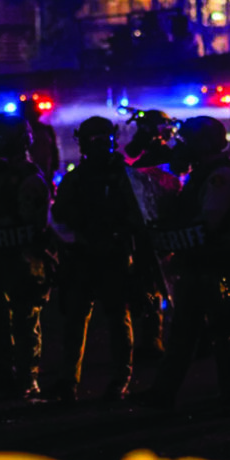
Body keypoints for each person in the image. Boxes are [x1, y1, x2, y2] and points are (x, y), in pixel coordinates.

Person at [140, 116, 230, 415]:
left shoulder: (220, 175)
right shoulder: (204, 173)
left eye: (187, 141)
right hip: (198, 264)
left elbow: (209, 223)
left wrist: (171, 236)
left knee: (222, 332)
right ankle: (163, 392)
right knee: (183, 333)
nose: (180, 147)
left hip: (216, 265)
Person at [45, 115, 140, 402]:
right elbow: (59, 216)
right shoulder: (78, 178)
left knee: (115, 320)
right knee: (78, 319)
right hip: (84, 257)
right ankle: (69, 380)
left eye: (103, 139)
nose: (99, 145)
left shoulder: (124, 176)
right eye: (94, 139)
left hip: (113, 255)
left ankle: (119, 379)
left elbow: (139, 217)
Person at [0, 115, 53, 395]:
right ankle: (3, 372)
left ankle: (28, 377)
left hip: (22, 260)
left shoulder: (29, 178)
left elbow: (34, 222)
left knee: (25, 318)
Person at [122, 109, 178, 362]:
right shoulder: (146, 157)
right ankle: (153, 339)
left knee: (164, 286)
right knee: (152, 287)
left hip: (168, 230)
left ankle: (158, 339)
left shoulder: (172, 156)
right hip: (156, 231)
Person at [21, 96, 60, 184]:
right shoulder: (21, 131)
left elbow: (53, 149)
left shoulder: (46, 129)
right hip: (30, 172)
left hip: (45, 170)